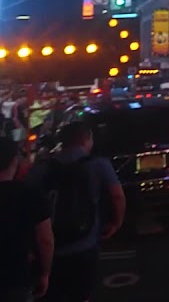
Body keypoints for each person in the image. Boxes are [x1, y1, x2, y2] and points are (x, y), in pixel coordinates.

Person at [27, 122, 126, 302]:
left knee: (50, 294)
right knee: (81, 293)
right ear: (87, 139)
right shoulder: (98, 164)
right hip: (85, 243)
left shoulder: (41, 167)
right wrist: (116, 223)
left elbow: (28, 202)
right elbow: (117, 196)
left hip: (49, 246)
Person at [2, 137, 52, 302]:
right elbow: (45, 239)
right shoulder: (29, 193)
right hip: (17, 276)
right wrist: (45, 273)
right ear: (14, 162)